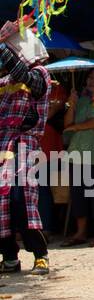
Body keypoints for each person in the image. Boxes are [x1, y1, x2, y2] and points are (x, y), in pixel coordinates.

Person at [0, 20, 52, 275]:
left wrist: (1, 49)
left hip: (25, 143)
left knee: (23, 200)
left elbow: (25, 76)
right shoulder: (6, 78)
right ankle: (9, 257)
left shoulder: (40, 74)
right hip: (3, 145)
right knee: (2, 203)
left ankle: (40, 255)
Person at [62, 65, 94, 247]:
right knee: (78, 194)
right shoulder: (83, 100)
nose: (91, 80)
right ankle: (80, 232)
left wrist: (75, 127)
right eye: (90, 77)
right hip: (77, 152)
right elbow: (67, 122)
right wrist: (72, 104)